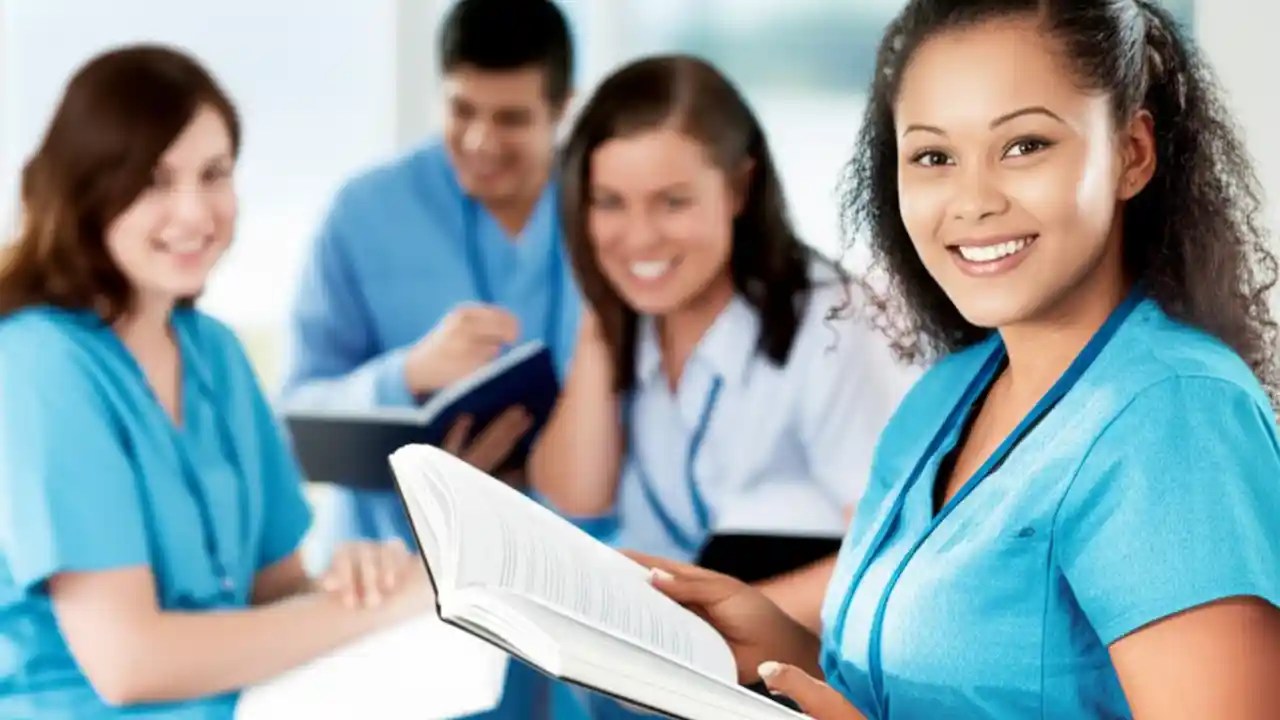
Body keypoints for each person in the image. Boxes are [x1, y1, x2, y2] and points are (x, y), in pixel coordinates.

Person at [631, 1, 1280, 718]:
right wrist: (783, 646)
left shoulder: (1177, 415)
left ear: (1132, 154)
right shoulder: (942, 400)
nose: (971, 202)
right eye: (934, 157)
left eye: (1025, 145)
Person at [0, 46, 430, 719]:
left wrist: (353, 585)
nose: (196, 212)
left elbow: (273, 591)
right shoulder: (38, 364)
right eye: (155, 182)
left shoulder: (217, 354)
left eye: (215, 174)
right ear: (87, 190)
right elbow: (127, 663)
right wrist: (381, 611)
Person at [529, 54, 913, 679]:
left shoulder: (832, 324)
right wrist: (599, 329)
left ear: (738, 189)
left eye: (672, 202)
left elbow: (892, 554)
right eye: (610, 203)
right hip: (674, 674)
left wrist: (697, 634)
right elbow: (576, 492)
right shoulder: (629, 318)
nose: (639, 237)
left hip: (796, 670)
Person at [282, 0, 586, 545]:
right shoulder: (363, 212)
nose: (480, 142)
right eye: (461, 110)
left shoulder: (610, 212)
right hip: (387, 569)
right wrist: (406, 376)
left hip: (573, 554)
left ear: (564, 109)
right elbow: (292, 425)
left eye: (511, 119)